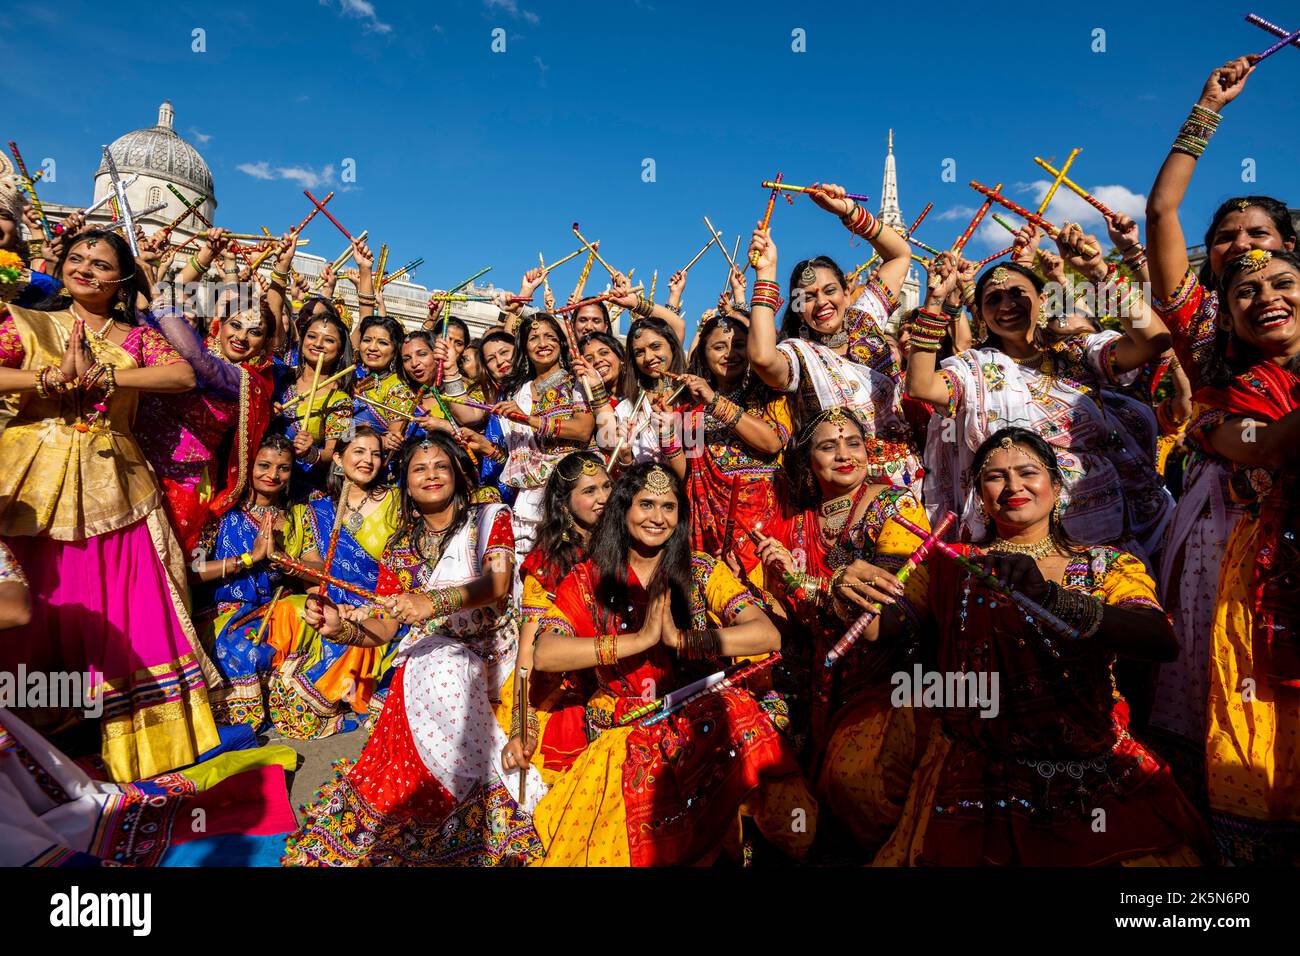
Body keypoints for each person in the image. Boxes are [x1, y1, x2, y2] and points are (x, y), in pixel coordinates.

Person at [864, 428, 1207, 866]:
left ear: (1056, 486)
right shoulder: (950, 564)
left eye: (1028, 472)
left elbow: (1158, 639)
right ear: (979, 495)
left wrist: (1052, 598)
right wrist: (846, 590)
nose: (1013, 487)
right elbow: (881, 628)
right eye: (995, 477)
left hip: (1088, 769)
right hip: (980, 772)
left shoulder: (1105, 562)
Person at [0, 228, 219, 781]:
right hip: (31, 483)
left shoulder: (134, 335)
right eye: (76, 259)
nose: (85, 270)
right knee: (34, 602)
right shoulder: (28, 320)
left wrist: (108, 375)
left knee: (115, 606)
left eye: (100, 264)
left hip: (113, 482)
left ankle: (129, 740)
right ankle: (30, 741)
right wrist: (47, 377)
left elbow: (184, 374)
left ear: (121, 280)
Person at [529, 463, 814, 866]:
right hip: (626, 721)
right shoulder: (586, 579)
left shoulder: (700, 569)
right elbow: (546, 653)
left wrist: (684, 641)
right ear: (623, 509)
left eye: (669, 506)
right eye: (646, 504)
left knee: (738, 722)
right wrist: (639, 641)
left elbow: (765, 634)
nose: (658, 518)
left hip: (700, 706)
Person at [283, 434, 540, 866]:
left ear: (458, 473)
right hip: (438, 656)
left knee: (440, 664)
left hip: (497, 650)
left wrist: (432, 602)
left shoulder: (489, 516)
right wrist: (341, 627)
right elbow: (384, 628)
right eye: (419, 469)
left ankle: (469, 800)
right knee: (433, 662)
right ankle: (434, 800)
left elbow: (497, 586)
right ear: (405, 482)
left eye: (440, 466)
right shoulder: (399, 547)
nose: (431, 475)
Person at [907, 252, 1173, 557]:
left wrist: (1100, 273)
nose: (1006, 305)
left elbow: (1154, 339)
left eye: (1017, 294)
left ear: (1043, 300)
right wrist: (934, 302)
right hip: (1025, 532)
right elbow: (921, 386)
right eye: (993, 300)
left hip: (1111, 524)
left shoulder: (1076, 353)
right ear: (980, 315)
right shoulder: (974, 370)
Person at [750, 406, 930, 854]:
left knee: (857, 786)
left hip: (890, 678)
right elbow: (782, 620)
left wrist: (802, 582)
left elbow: (884, 614)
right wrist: (773, 580)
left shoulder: (896, 505)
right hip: (816, 678)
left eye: (853, 443)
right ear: (808, 462)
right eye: (828, 446)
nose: (844, 454)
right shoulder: (795, 526)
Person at [1179, 249, 1300, 865]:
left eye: (1283, 283)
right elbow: (1271, 446)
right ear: (1225, 318)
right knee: (1266, 737)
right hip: (1271, 580)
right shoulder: (1223, 400)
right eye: (1246, 293)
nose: (1268, 298)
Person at [745, 224, 922, 487]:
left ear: (847, 294)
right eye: (807, 297)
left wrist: (848, 212)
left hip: (911, 482)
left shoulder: (865, 320)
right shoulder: (799, 354)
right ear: (797, 309)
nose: (821, 302)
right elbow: (761, 357)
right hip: (846, 492)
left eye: (830, 291)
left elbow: (899, 256)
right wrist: (766, 273)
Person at [136, 229, 275, 553]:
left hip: (185, 482)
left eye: (255, 332)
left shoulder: (247, 380)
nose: (242, 337)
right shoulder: (190, 346)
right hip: (138, 461)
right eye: (236, 325)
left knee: (161, 563)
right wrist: (199, 258)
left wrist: (159, 298)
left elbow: (199, 362)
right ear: (219, 325)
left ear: (264, 343)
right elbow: (143, 322)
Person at [266, 426, 401, 736]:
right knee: (287, 609)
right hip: (337, 600)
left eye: (376, 453)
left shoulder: (397, 501)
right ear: (338, 459)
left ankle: (345, 689)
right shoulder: (317, 510)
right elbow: (316, 567)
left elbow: (405, 565)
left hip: (383, 603)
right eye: (359, 451)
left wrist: (368, 607)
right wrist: (293, 568)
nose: (368, 460)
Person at [663, 313, 790, 585]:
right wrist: (668, 434)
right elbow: (686, 471)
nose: (729, 354)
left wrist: (715, 401)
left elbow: (772, 441)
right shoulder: (690, 409)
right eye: (719, 347)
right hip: (709, 528)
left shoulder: (770, 394)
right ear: (704, 355)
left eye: (739, 345)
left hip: (765, 524)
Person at [192, 435, 304, 731]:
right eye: (264, 465)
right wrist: (249, 558)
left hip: (274, 608)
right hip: (223, 612)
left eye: (283, 468)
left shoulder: (296, 517)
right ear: (246, 466)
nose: (272, 475)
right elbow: (193, 570)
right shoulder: (218, 512)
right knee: (244, 648)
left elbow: (316, 567)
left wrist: (281, 557)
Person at [492, 312, 595, 553]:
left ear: (561, 342)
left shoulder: (577, 381)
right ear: (524, 348)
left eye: (549, 336)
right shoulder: (517, 391)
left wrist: (529, 419)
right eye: (533, 338)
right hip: (528, 495)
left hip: (569, 488)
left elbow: (582, 430)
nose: (542, 344)